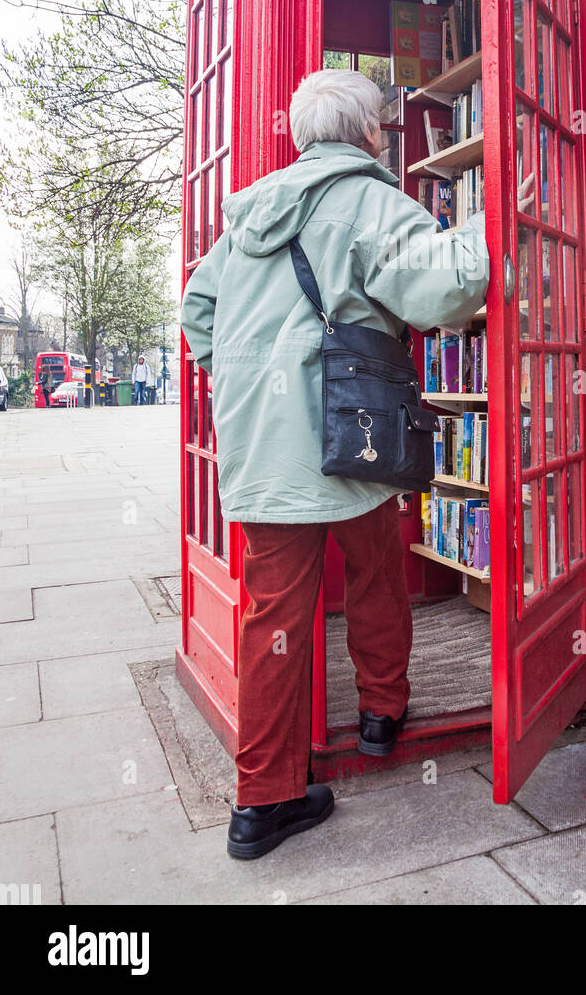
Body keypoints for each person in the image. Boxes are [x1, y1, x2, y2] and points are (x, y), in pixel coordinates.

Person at [180, 69, 490, 861]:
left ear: (299, 133)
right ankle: (384, 715)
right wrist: (498, 222)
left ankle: (263, 802)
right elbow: (446, 293)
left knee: (272, 620)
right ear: (367, 134)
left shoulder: (246, 211)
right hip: (349, 433)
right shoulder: (371, 200)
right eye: (382, 123)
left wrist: (240, 375)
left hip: (263, 440)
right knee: (378, 575)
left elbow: (197, 308)